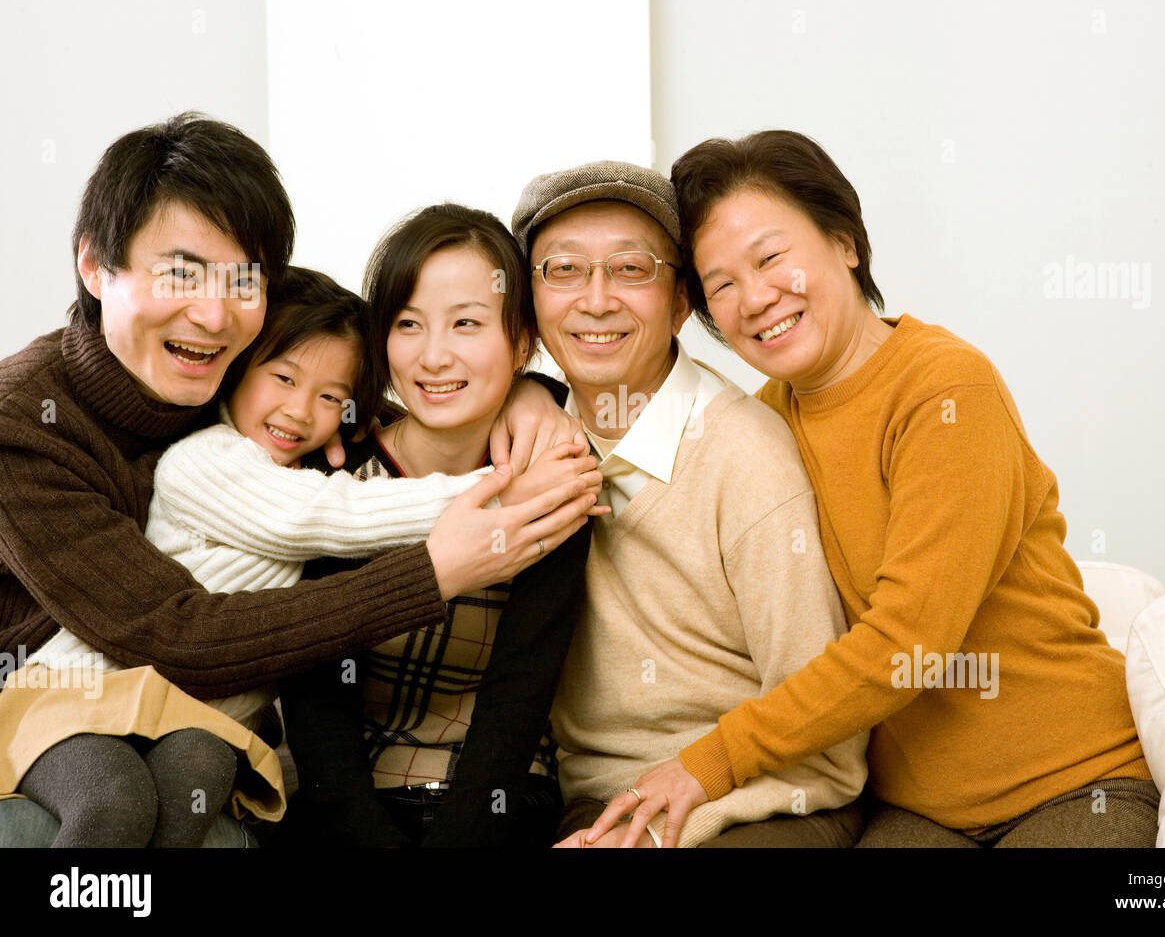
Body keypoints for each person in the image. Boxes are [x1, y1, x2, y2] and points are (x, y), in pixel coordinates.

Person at [0, 113, 591, 845]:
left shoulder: (251, 398)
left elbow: (409, 393)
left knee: (209, 807)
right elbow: (174, 632)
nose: (213, 313)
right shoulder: (25, 424)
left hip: (185, 722)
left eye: (243, 280)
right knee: (132, 812)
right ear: (95, 265)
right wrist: (444, 559)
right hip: (50, 727)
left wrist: (540, 395)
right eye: (180, 272)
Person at [586, 129, 1159, 848]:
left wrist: (708, 764)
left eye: (770, 258)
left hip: (1073, 782)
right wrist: (533, 407)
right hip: (916, 809)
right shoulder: (764, 424)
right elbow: (649, 480)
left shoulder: (944, 387)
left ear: (844, 243)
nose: (756, 298)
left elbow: (909, 640)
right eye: (722, 285)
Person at [511, 161, 869, 848]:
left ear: (681, 301)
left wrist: (654, 836)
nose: (596, 299)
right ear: (527, 304)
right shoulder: (519, 438)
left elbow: (830, 751)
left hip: (767, 799)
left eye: (631, 269)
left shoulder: (746, 457)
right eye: (563, 271)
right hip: (602, 805)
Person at [278, 205, 602, 848]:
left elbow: (521, 691)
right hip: (351, 804)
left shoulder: (552, 476)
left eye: (466, 324)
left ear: (521, 342)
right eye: (407, 324)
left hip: (503, 798)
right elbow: (317, 697)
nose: (434, 356)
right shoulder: (337, 471)